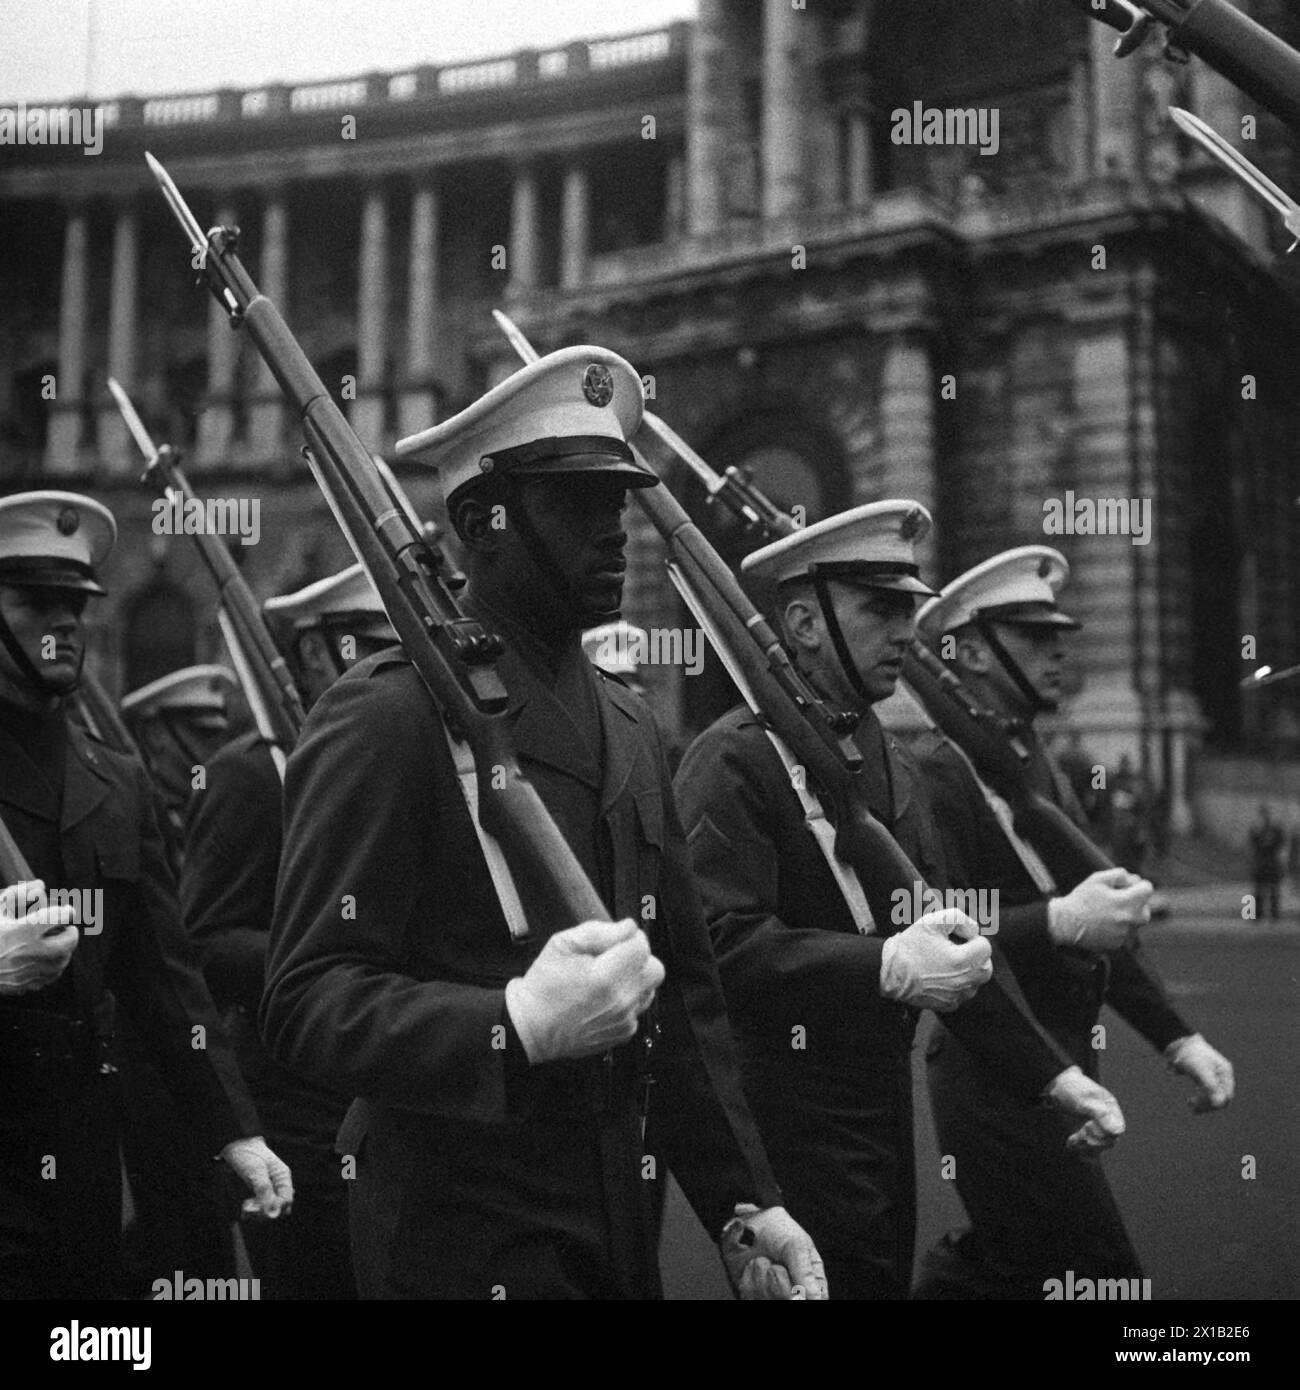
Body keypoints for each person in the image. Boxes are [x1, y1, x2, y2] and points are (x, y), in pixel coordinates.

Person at [261, 347, 826, 1300]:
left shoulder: (633, 723)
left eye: (617, 506)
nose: (615, 535)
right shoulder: (387, 717)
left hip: (611, 1209)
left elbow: (683, 996)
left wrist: (744, 1203)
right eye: (577, 508)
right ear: (485, 521)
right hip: (455, 1225)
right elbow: (308, 1000)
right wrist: (507, 1023)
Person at [674, 503, 1125, 1300]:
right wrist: (879, 964)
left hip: (880, 1113)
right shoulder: (732, 762)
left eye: (911, 608)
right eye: (882, 609)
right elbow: (715, 943)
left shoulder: (897, 767)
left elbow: (951, 951)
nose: (908, 631)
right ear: (805, 624)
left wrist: (1054, 1078)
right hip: (779, 1125)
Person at [909, 545, 1235, 1299]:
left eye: (1060, 635)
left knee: (1008, 1269)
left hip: (1057, 1067)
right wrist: (1054, 919)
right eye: (1033, 638)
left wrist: (1176, 1035)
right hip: (997, 1072)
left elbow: (1100, 918)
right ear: (968, 654)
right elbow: (943, 935)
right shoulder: (938, 766)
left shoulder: (1032, 762)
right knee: (1103, 1282)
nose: (1060, 652)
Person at [0, 490, 292, 1299]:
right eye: (33, 603)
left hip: (83, 1170)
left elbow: (167, 982)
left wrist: (235, 1130)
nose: (63, 623)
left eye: (76, 604)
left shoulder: (114, 783)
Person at [182, 564, 396, 1299]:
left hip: (392, 1099)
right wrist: (325, 964)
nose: (390, 667)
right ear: (313, 654)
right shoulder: (250, 775)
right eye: (367, 647)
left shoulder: (400, 760)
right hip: (295, 1107)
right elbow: (205, 941)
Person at [121, 664, 237, 870]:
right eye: (204, 734)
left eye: (221, 736)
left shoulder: (223, 813)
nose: (218, 749)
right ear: (155, 734)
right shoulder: (133, 817)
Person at [1249, 803, 1285, 921]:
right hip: (1264, 862)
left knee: (1271, 889)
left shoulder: (1275, 830)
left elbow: (1280, 844)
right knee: (1260, 889)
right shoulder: (1258, 830)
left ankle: (1271, 915)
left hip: (1269, 862)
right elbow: (1253, 844)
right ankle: (1261, 915)